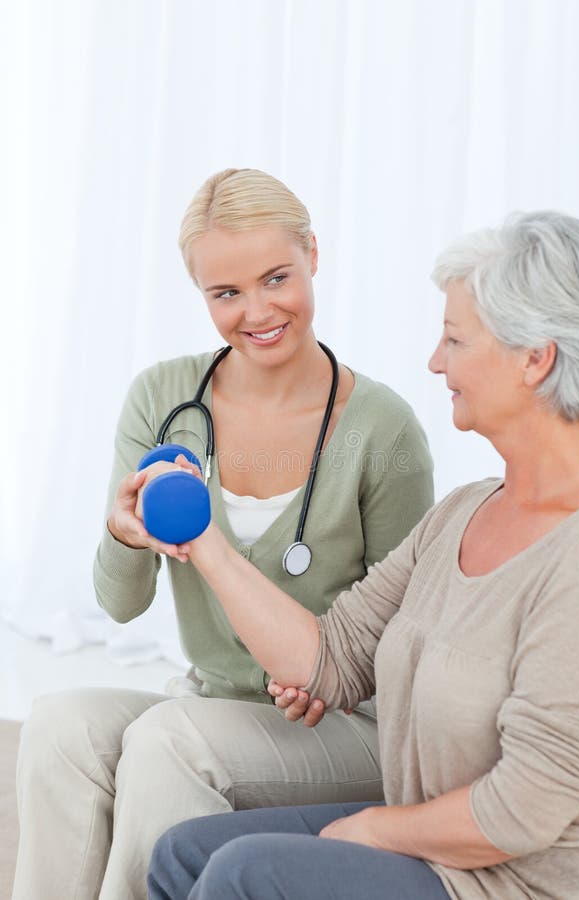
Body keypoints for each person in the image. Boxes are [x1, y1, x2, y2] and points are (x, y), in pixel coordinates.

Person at [147, 210, 579, 900]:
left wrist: (374, 830)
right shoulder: (461, 513)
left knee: (248, 874)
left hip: (515, 881)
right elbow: (328, 659)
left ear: (533, 358)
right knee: (184, 853)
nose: (434, 361)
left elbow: (523, 807)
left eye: (454, 339)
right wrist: (203, 542)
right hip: (432, 845)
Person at [12, 168, 434, 900]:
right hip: (212, 699)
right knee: (59, 726)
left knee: (170, 742)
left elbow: (409, 635)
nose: (257, 311)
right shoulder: (164, 399)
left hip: (342, 725)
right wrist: (126, 535)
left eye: (276, 277)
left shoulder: (382, 429)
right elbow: (119, 605)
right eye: (225, 293)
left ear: (312, 254)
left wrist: (331, 674)